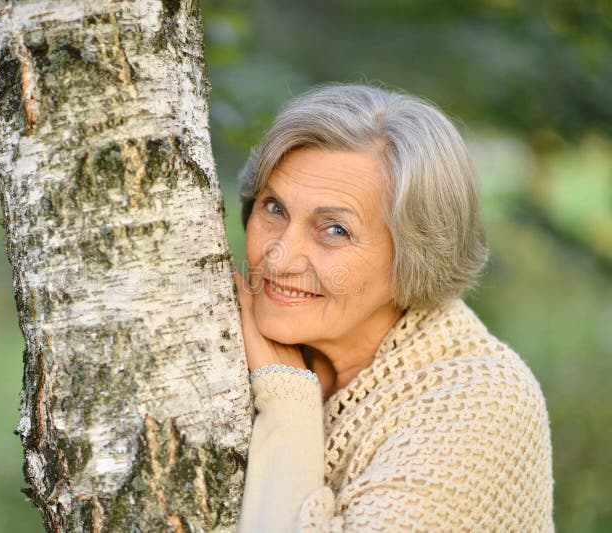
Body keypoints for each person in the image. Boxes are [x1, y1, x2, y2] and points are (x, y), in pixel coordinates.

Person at [231, 83, 554, 532]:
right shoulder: (225, 336)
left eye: (334, 230)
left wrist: (288, 405)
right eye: (274, 208)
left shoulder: (478, 401)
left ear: (413, 253)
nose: (279, 256)